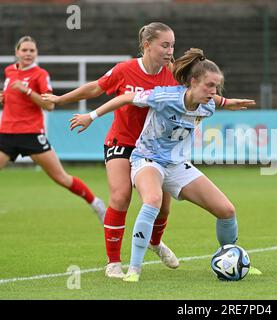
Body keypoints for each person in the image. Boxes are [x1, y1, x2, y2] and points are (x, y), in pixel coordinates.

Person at [42, 22, 255, 278]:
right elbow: (96, 88)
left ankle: (154, 242)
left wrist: (225, 101)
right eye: (165, 45)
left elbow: (199, 90)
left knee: (163, 208)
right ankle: (114, 262)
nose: (170, 50)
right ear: (147, 45)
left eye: (172, 45)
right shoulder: (126, 69)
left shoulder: (174, 72)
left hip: (162, 149)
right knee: (121, 196)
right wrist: (64, 101)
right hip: (125, 142)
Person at [0, 36, 106, 223]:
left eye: (32, 50)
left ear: (36, 53)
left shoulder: (40, 74)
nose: (28, 54)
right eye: (24, 50)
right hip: (6, 133)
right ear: (17, 52)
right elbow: (11, 98)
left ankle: (95, 202)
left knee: (62, 178)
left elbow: (49, 106)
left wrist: (27, 91)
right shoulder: (9, 71)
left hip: (31, 134)